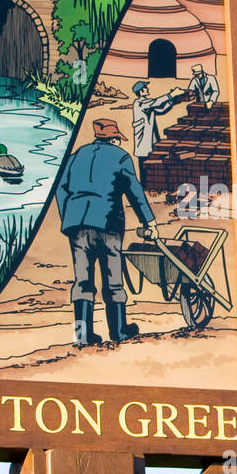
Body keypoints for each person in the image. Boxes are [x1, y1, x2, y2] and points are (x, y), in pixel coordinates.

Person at [56, 118, 159, 345]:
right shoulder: (120, 157)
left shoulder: (76, 156)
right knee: (113, 279)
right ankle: (119, 331)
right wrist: (149, 222)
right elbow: (135, 192)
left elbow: (61, 189)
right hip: (108, 225)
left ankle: (82, 335)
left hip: (77, 226)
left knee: (82, 280)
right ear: (114, 139)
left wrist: (68, 217)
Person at [131, 79, 183, 190]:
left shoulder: (147, 103)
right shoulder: (140, 103)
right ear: (140, 92)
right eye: (145, 88)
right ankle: (145, 188)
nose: (147, 89)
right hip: (143, 142)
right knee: (144, 167)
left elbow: (161, 109)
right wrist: (171, 94)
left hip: (151, 141)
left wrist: (173, 100)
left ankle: (151, 188)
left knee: (152, 165)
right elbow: (156, 102)